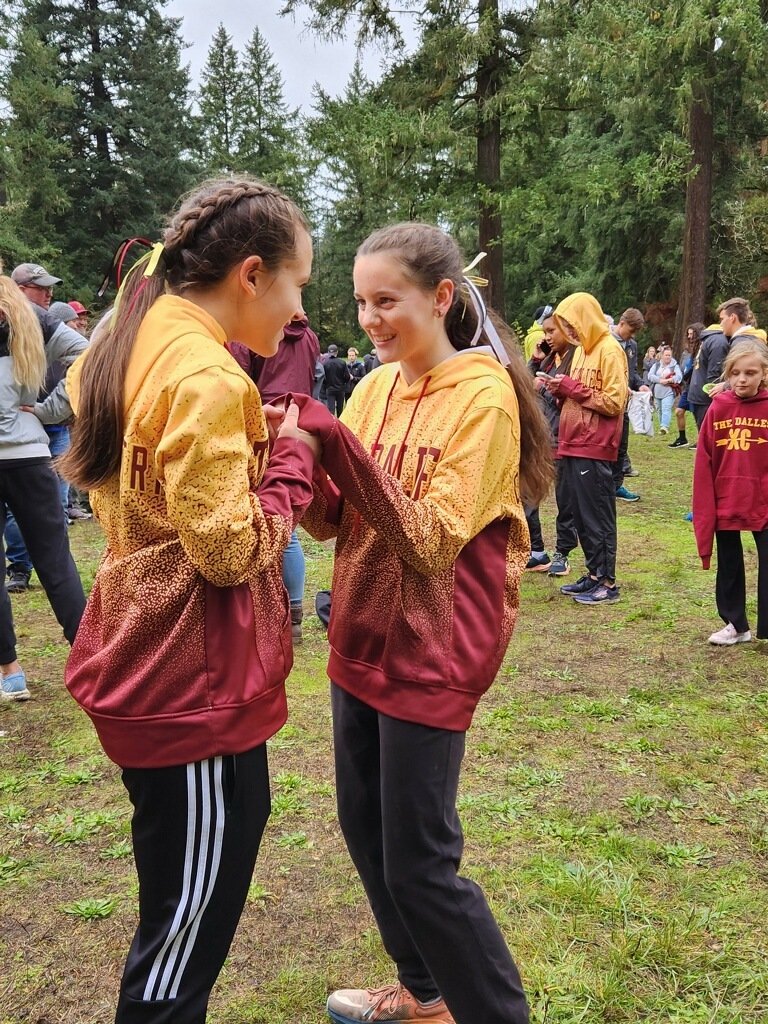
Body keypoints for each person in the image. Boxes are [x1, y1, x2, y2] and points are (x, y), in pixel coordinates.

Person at [59, 177, 319, 1024]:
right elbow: (227, 549)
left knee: (180, 882)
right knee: (180, 935)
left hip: (151, 653)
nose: (298, 312)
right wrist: (285, 471)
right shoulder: (207, 375)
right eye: (299, 286)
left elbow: (136, 494)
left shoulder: (136, 338)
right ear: (252, 273)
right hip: (193, 686)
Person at [299, 222, 552, 1024]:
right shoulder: (374, 387)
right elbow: (338, 522)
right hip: (360, 634)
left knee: (421, 863)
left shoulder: (482, 397)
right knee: (366, 829)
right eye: (360, 303)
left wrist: (335, 443)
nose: (371, 320)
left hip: (434, 646)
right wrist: (291, 468)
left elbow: (433, 538)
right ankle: (424, 993)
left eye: (388, 301)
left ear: (442, 297)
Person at [0, 272, 86, 700]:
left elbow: (87, 355)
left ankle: (9, 671)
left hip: (30, 451)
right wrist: (50, 410)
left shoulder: (29, 315)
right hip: (28, 452)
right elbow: (88, 356)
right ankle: (91, 659)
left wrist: (52, 409)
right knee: (55, 560)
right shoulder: (25, 316)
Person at [544, 292, 628, 605]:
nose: (570, 332)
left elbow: (615, 401)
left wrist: (572, 389)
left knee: (597, 517)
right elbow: (579, 394)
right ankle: (593, 574)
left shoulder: (609, 350)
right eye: (565, 326)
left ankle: (607, 582)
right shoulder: (580, 352)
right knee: (580, 515)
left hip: (595, 445)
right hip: (572, 441)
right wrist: (559, 391)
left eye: (572, 324)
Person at [693, 338, 768, 645]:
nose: (742, 379)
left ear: (763, 373)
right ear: (727, 373)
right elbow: (705, 457)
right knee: (730, 563)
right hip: (726, 499)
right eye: (736, 372)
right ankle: (736, 624)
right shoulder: (719, 407)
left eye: (750, 373)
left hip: (763, 500)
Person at [251, 315, 321, 642]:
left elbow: (238, 382)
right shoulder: (309, 337)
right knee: (288, 523)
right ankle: (293, 614)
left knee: (268, 519)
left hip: (264, 425)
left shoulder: (253, 327)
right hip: (301, 425)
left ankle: (278, 613)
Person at [525, 313, 578, 576]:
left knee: (564, 499)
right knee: (528, 494)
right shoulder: (548, 359)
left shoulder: (576, 360)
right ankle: (536, 551)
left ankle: (563, 552)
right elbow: (522, 385)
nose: (547, 337)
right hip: (540, 438)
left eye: (551, 331)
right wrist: (535, 360)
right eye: (545, 331)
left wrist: (552, 388)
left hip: (563, 437)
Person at [610, 308, 648, 501]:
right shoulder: (605, 342)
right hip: (607, 404)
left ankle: (617, 486)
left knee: (621, 447)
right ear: (622, 322)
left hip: (624, 405)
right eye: (630, 331)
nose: (631, 336)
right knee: (608, 446)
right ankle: (604, 486)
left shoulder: (631, 345)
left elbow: (632, 373)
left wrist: (641, 385)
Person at [668, 323, 703, 448]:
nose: (689, 337)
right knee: (679, 411)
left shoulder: (703, 349)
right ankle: (682, 439)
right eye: (688, 334)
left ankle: (701, 440)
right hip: (687, 386)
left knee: (698, 415)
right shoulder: (687, 351)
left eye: (691, 334)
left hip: (697, 386)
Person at [647, 345, 682, 434]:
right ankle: (662, 425)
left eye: (669, 355)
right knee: (659, 410)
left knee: (666, 408)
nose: (667, 357)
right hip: (657, 392)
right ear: (662, 356)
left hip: (669, 391)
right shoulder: (656, 365)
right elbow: (650, 376)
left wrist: (670, 379)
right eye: (666, 355)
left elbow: (679, 376)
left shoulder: (675, 366)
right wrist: (660, 380)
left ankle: (664, 427)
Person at [323, 343, 351, 415]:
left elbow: (323, 378)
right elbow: (347, 376)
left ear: (329, 352)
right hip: (340, 389)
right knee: (340, 409)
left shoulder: (325, 363)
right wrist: (343, 382)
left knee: (331, 409)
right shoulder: (342, 362)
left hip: (330, 389)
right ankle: (339, 424)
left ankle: (332, 425)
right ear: (337, 352)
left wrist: (327, 384)